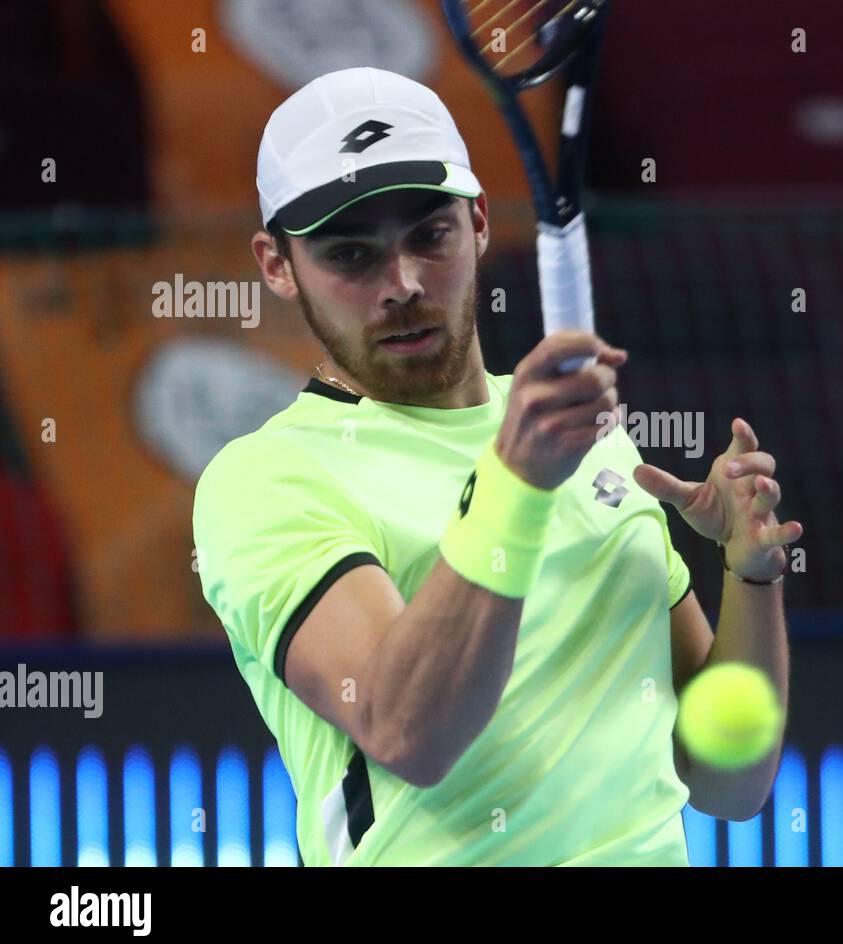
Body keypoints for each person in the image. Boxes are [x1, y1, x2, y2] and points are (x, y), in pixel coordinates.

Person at [192, 67, 802, 866]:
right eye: (351, 254)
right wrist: (516, 484)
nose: (401, 285)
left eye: (428, 236)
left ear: (478, 222)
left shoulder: (588, 442)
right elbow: (408, 729)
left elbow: (730, 784)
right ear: (276, 265)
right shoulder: (264, 480)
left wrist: (750, 578)